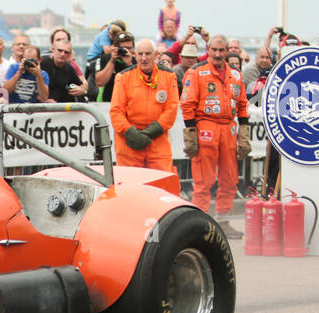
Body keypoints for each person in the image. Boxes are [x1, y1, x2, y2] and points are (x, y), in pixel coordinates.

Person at [181, 34, 249, 236]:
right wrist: (191, 134)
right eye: (215, 50)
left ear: (228, 51)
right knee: (204, 180)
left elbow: (243, 104)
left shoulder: (235, 74)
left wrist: (243, 133)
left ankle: (223, 220)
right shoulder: (196, 72)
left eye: (222, 50)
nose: (218, 54)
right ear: (208, 49)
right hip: (205, 127)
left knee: (229, 178)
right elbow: (187, 104)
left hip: (229, 127)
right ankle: (199, 224)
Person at [109, 39, 179, 172]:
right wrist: (131, 133)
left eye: (148, 54)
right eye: (140, 54)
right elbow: (116, 112)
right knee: (129, 185)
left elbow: (172, 108)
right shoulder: (123, 77)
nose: (144, 58)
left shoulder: (169, 76)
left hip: (157, 140)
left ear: (156, 55)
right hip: (129, 143)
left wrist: (149, 132)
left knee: (162, 183)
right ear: (135, 55)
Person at [87, 32, 135, 104]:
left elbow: (136, 82)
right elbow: (100, 82)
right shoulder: (105, 58)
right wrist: (112, 61)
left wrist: (129, 64)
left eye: (129, 48)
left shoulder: (136, 61)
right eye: (123, 48)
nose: (126, 51)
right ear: (116, 48)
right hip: (108, 102)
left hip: (129, 102)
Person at [42, 38, 88, 103]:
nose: (62, 54)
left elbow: (81, 84)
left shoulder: (69, 68)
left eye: (66, 52)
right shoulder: (43, 64)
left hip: (63, 106)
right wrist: (43, 100)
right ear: (53, 50)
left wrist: (82, 90)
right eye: (60, 51)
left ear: (69, 55)